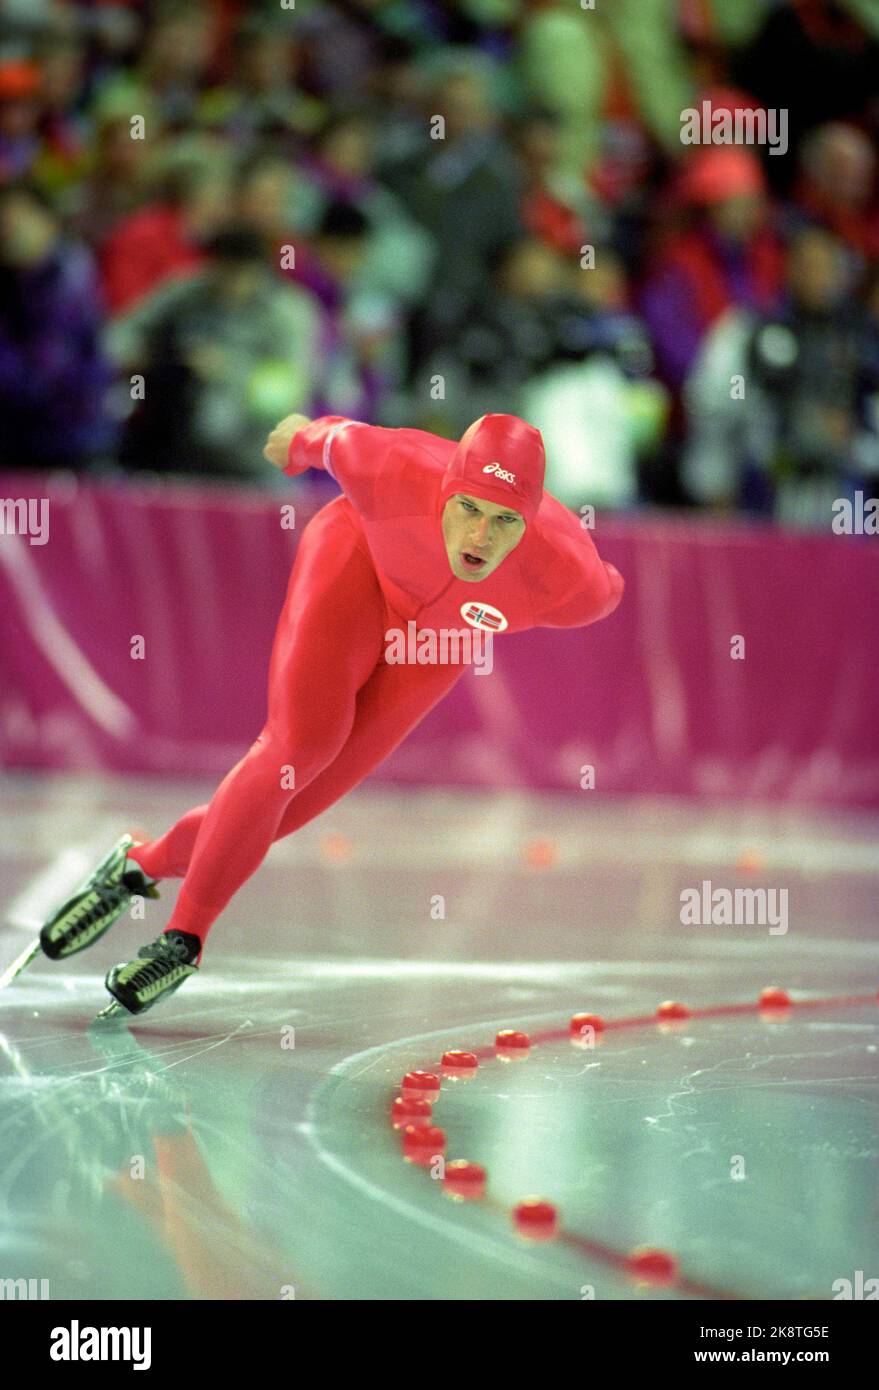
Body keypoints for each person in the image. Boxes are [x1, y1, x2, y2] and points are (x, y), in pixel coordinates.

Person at [34, 412, 624, 1018]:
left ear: (528, 525)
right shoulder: (394, 466)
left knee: (293, 806)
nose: (480, 537)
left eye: (504, 521)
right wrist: (295, 442)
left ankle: (138, 867)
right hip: (355, 564)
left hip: (437, 644)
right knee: (298, 750)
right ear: (445, 490)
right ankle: (183, 940)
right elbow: (329, 437)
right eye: (468, 509)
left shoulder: (569, 582)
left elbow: (611, 587)